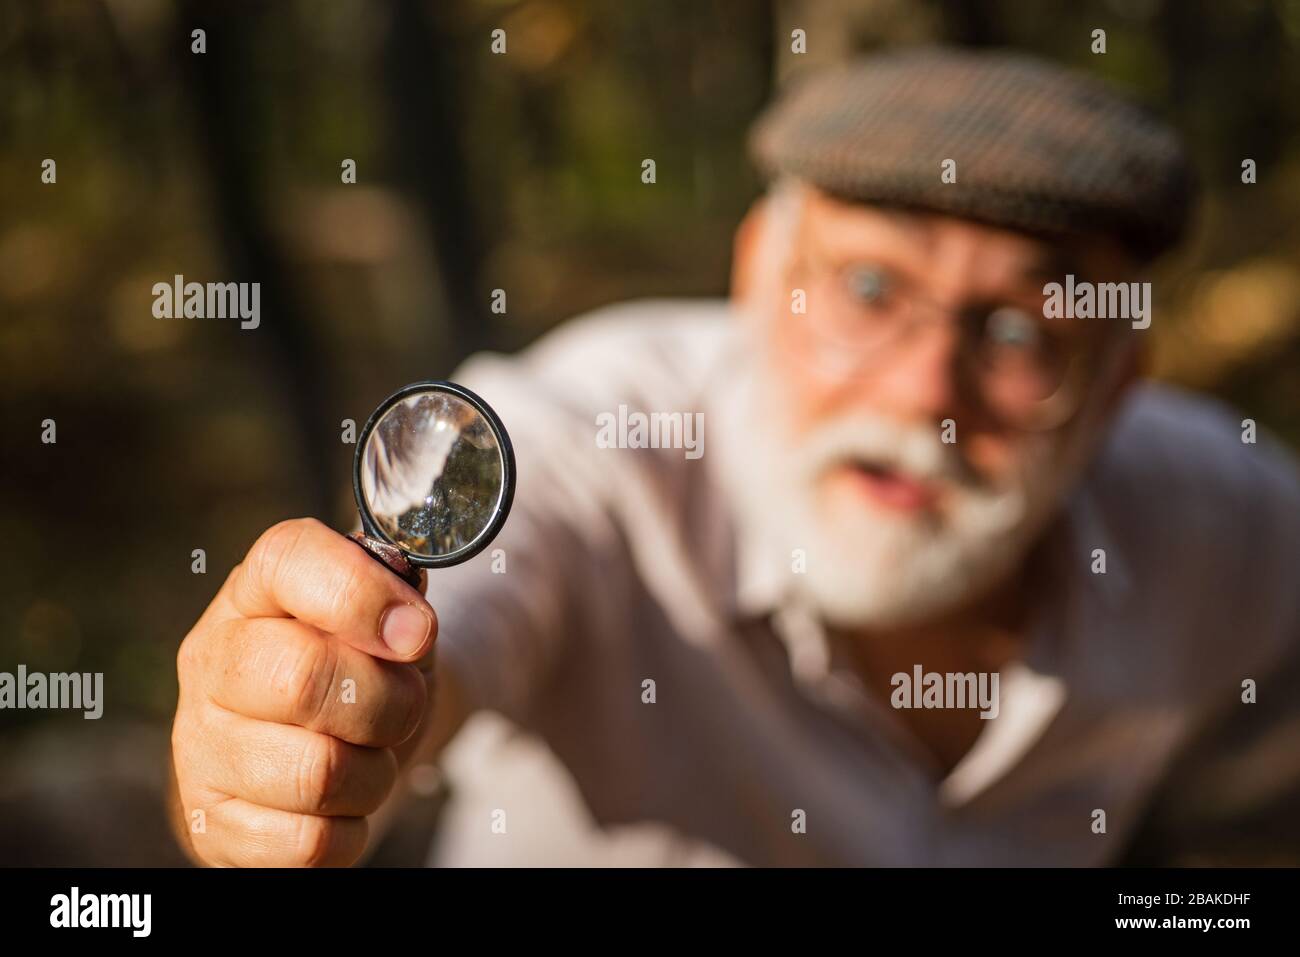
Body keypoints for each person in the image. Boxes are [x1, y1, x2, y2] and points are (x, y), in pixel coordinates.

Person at [168, 48, 1300, 866]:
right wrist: (281, 740)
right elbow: (434, 640)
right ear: (757, 272)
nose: (922, 396)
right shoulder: (593, 436)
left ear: (1118, 379)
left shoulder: (1233, 529)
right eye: (869, 289)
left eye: (1020, 334)